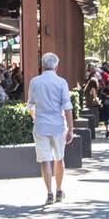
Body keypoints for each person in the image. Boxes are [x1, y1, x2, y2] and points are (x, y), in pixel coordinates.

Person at [28, 52, 75, 205]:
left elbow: (30, 105)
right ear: (56, 66)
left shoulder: (34, 82)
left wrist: (35, 117)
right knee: (59, 158)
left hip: (41, 125)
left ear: (42, 65)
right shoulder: (61, 82)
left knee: (45, 160)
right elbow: (67, 107)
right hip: (57, 125)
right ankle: (59, 190)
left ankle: (49, 192)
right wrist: (71, 129)